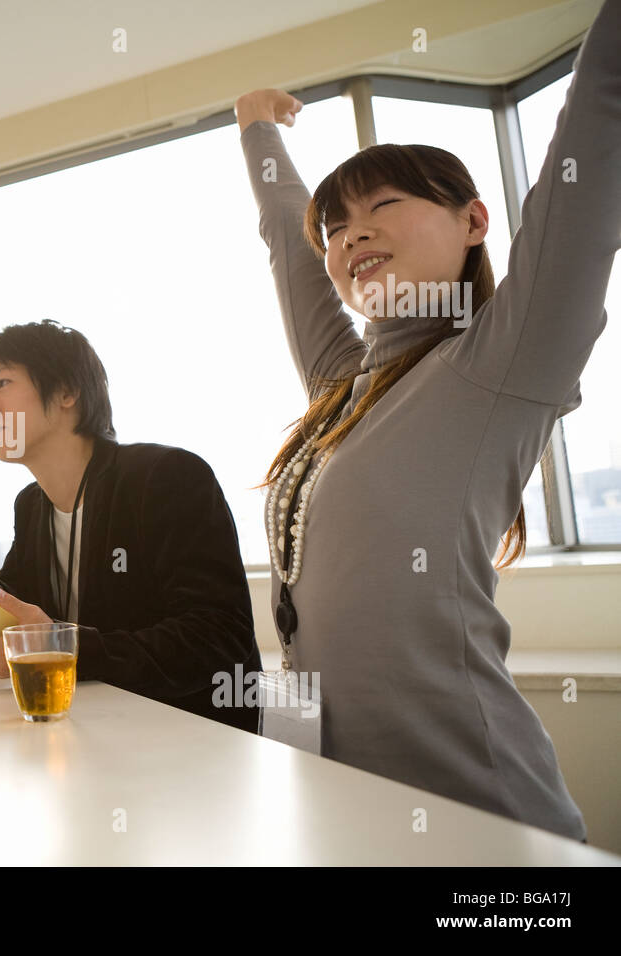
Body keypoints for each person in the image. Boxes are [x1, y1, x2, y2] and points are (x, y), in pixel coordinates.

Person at [233, 0, 619, 842]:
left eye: (385, 204)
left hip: (480, 819)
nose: (350, 233)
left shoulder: (502, 362)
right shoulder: (342, 384)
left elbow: (590, 144)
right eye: (337, 225)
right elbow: (289, 249)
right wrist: (257, 129)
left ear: (474, 221)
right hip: (339, 800)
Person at [0, 320, 261, 733]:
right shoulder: (32, 506)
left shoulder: (166, 476)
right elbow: (14, 617)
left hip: (185, 743)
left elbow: (218, 639)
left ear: (67, 391)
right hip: (84, 737)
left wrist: (65, 648)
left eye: (2, 383)